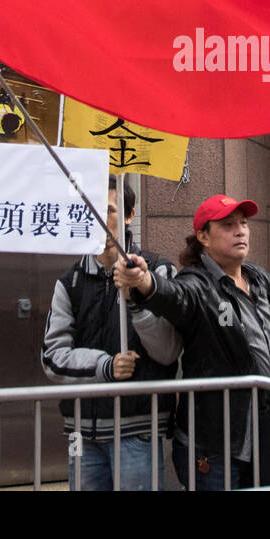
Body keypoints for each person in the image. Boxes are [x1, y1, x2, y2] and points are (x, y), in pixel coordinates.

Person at [114, 194, 270, 489]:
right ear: (203, 236)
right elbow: (172, 296)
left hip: (266, 431)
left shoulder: (257, 277)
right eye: (228, 225)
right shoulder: (196, 283)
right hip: (214, 445)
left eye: (244, 223)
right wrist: (142, 281)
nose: (241, 230)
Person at [41, 176, 181, 490]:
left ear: (130, 215)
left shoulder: (158, 272)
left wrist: (137, 300)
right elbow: (52, 357)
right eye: (90, 210)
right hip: (80, 431)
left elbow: (168, 350)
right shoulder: (70, 281)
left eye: (109, 210)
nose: (100, 221)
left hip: (137, 427)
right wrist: (104, 365)